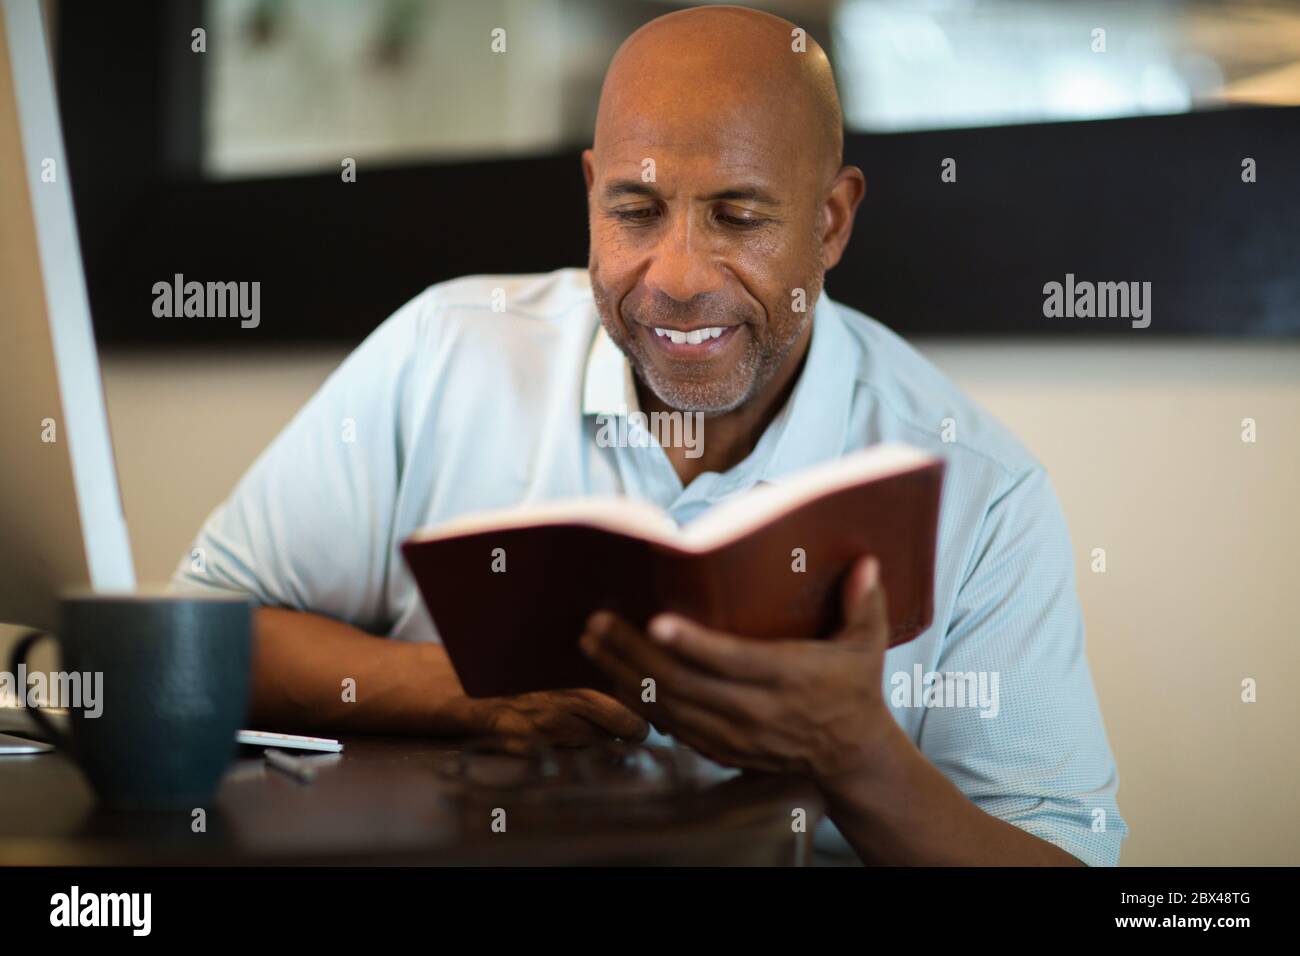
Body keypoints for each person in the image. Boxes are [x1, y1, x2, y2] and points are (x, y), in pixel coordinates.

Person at [173, 5, 1126, 865]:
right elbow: (202, 634)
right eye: (634, 210)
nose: (675, 278)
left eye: (738, 216)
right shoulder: (444, 356)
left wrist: (855, 754)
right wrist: (463, 689)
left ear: (831, 223)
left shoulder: (979, 491)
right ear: (591, 193)